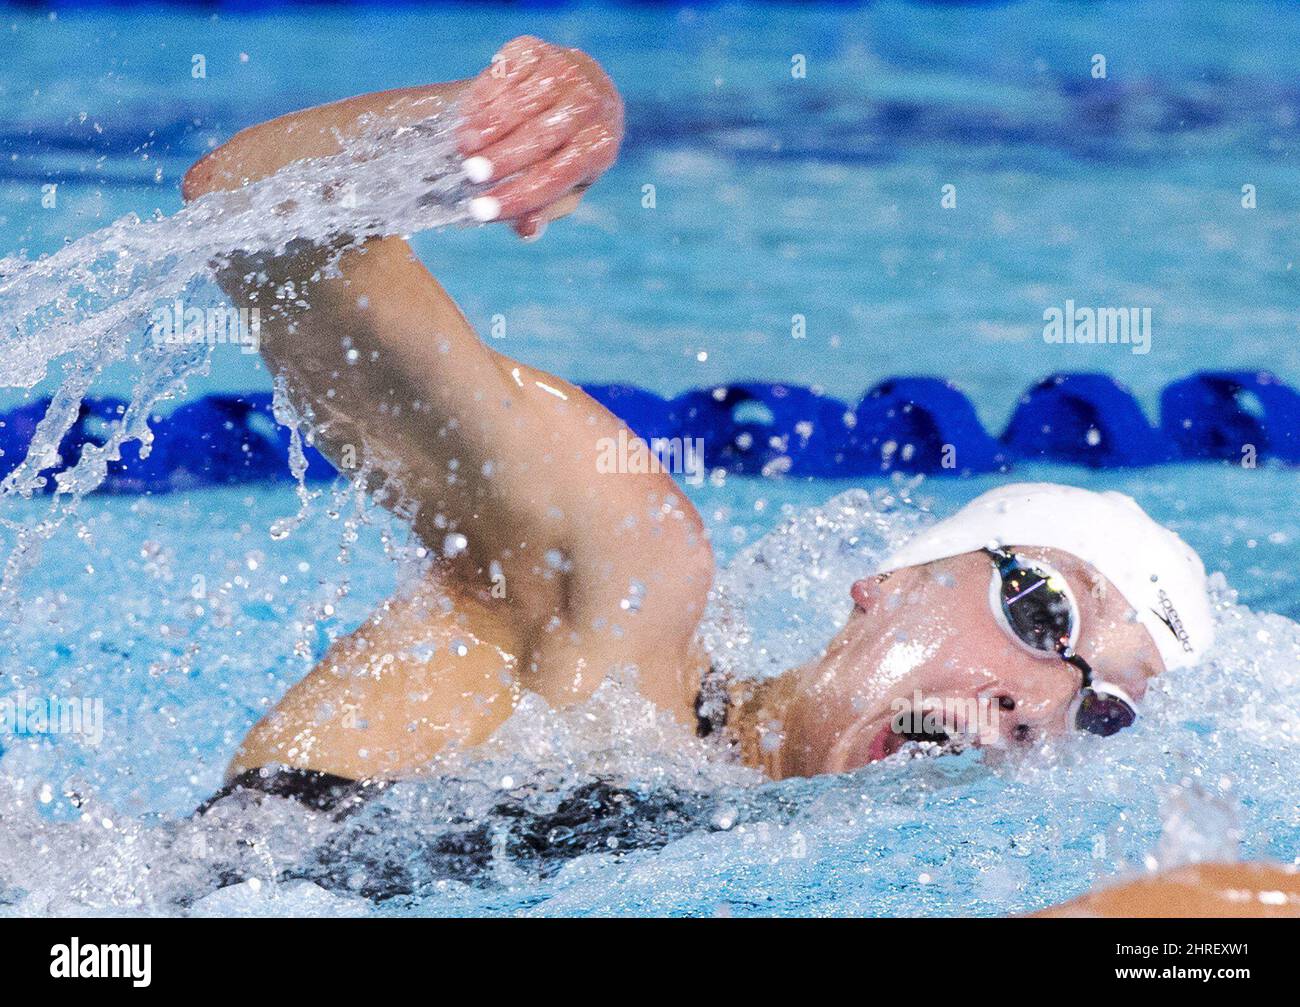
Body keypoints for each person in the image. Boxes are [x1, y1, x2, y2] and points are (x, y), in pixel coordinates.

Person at [181, 36, 1216, 805]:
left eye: (1102, 713)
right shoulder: (610, 586)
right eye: (1044, 614)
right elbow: (253, 212)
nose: (1037, 704)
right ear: (889, 583)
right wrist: (475, 132)